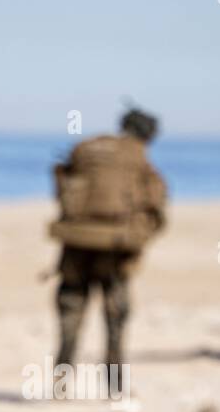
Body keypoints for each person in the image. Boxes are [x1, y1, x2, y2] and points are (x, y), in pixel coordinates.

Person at [50, 109, 167, 383]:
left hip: (77, 244)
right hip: (116, 249)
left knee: (71, 313)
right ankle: (114, 385)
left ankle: (61, 379)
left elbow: (62, 188)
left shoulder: (85, 148)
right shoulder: (137, 154)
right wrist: (143, 235)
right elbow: (156, 201)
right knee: (116, 319)